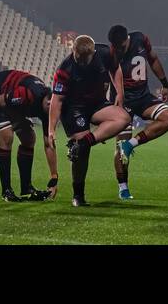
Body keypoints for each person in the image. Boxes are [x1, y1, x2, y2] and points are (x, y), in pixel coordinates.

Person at [48, 35, 130, 207]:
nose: (83, 62)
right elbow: (57, 100)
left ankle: (83, 143)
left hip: (97, 103)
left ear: (93, 52)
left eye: (87, 59)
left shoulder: (105, 53)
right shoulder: (64, 69)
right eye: (79, 58)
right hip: (74, 109)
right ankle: (78, 195)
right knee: (82, 155)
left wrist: (120, 92)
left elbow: (116, 69)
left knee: (123, 118)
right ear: (73, 52)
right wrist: (51, 129)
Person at [109, 25, 168, 200]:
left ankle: (131, 144)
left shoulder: (140, 39)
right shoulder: (110, 52)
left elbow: (153, 59)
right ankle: (123, 187)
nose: (119, 49)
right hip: (122, 101)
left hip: (143, 97)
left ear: (127, 39)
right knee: (119, 147)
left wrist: (165, 84)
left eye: (121, 46)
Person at [0, 69, 59, 201]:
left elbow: (48, 144)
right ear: (47, 101)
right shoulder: (28, 93)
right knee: (7, 137)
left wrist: (54, 177)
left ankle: (26, 188)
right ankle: (6, 191)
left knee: (29, 138)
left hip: (8, 100)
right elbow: (0, 101)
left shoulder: (49, 110)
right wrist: (18, 119)